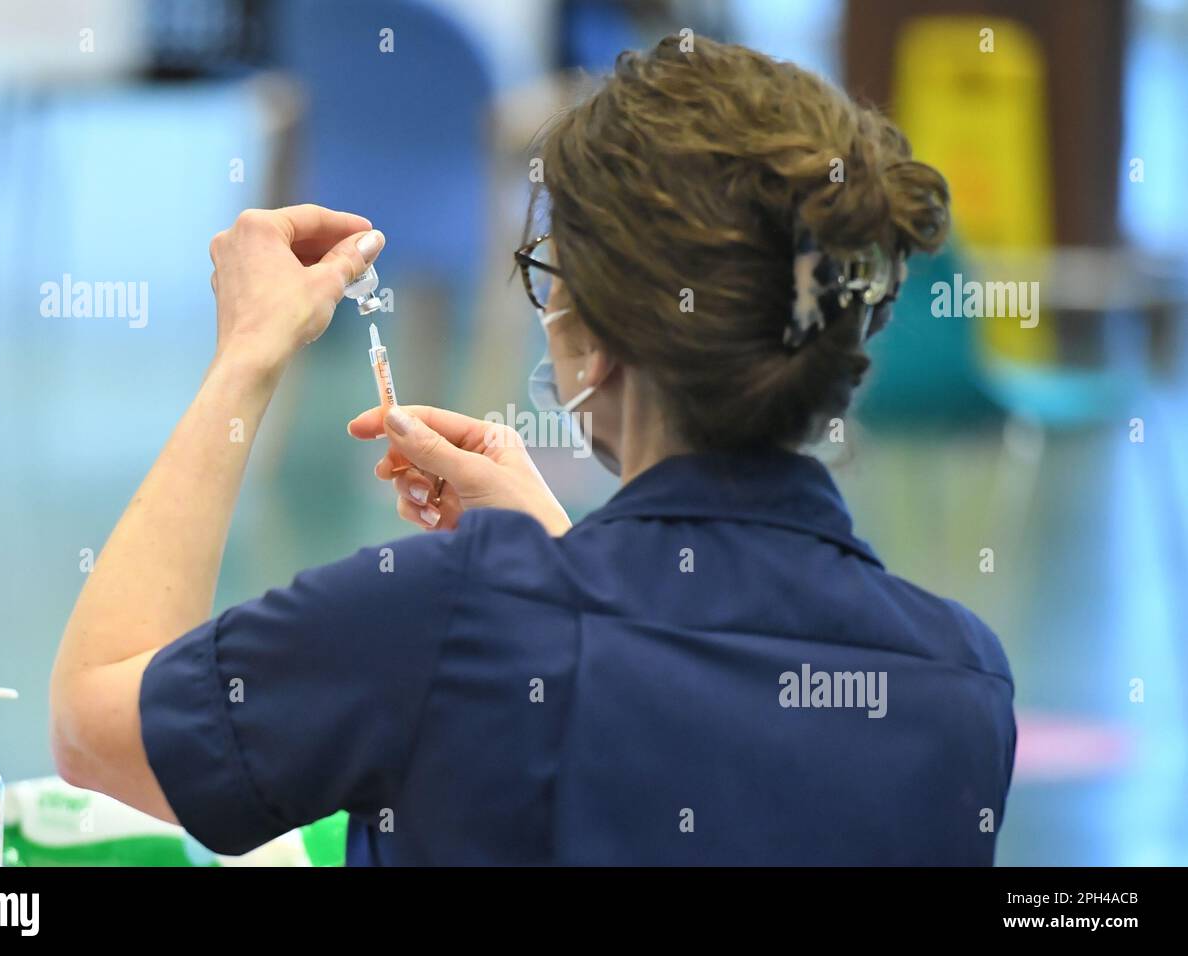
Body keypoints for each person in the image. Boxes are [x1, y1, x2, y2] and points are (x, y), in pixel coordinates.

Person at [50, 35, 1014, 865]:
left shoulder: (443, 616)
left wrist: (249, 356)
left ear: (588, 333)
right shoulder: (962, 680)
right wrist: (553, 559)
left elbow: (96, 727)